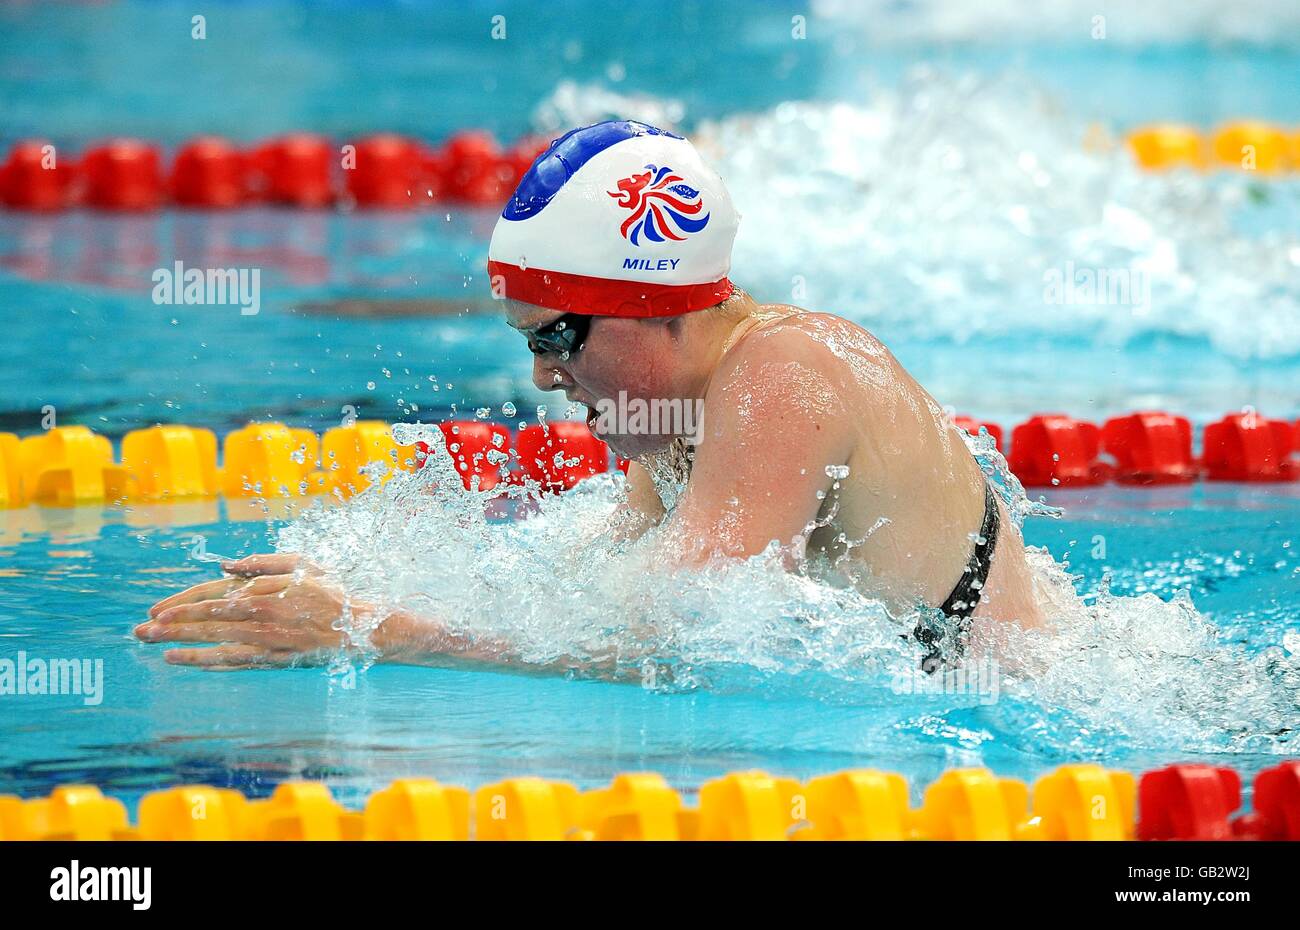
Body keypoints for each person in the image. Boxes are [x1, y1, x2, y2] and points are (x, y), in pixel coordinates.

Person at [135, 120, 1045, 674]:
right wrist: (356, 592)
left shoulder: (783, 376)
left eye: (557, 337)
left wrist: (381, 632)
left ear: (653, 306)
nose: (541, 376)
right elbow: (600, 597)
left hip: (1031, 721)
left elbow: (685, 650)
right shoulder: (679, 417)